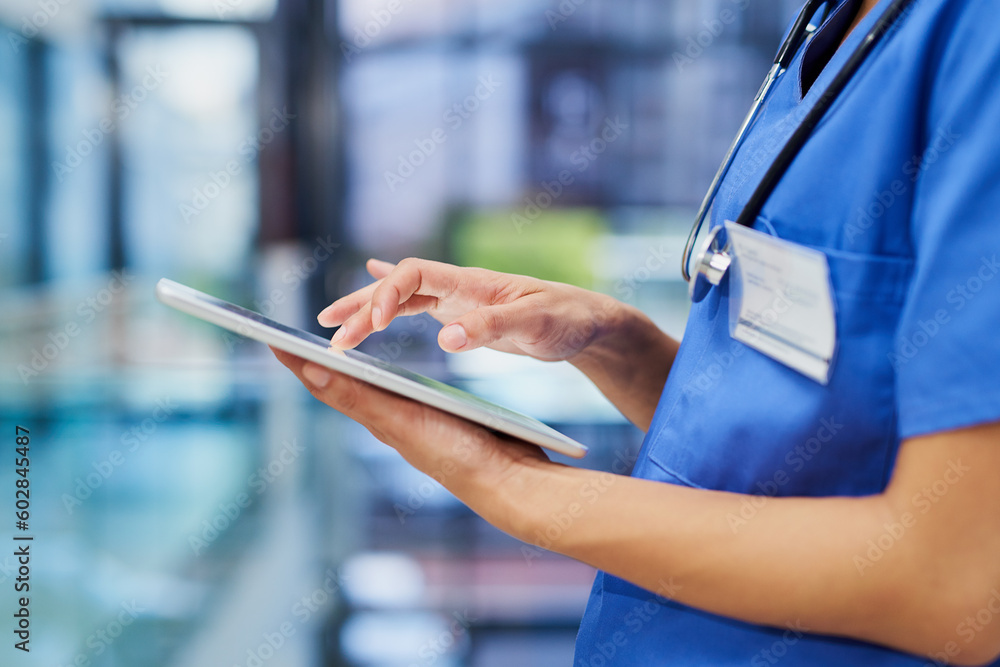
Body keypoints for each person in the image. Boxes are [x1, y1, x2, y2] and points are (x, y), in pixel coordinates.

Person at [272, 0, 1000, 663]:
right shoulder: (833, 24)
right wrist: (618, 344)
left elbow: (959, 580)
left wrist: (511, 484)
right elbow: (817, 447)